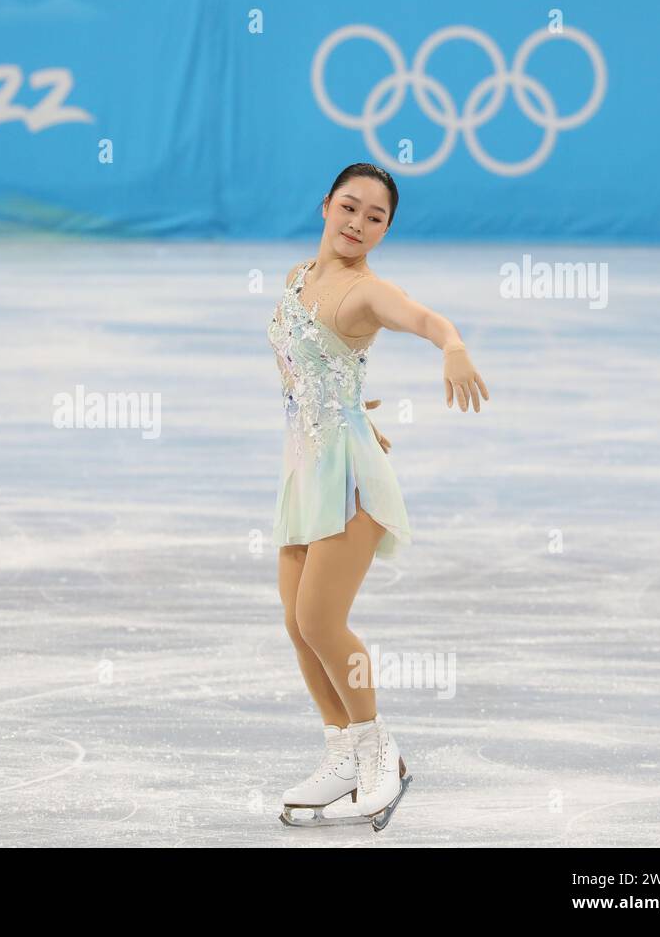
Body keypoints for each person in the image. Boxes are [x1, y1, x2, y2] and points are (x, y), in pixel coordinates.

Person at [267, 162, 489, 829]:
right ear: (325, 204)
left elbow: (421, 317)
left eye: (375, 217)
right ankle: (342, 753)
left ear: (386, 230)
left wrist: (452, 345)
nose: (358, 224)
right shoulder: (297, 280)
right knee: (297, 626)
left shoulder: (368, 292)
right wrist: (347, 404)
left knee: (321, 622)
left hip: (351, 480)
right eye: (349, 207)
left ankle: (379, 752)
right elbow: (308, 367)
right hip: (305, 468)